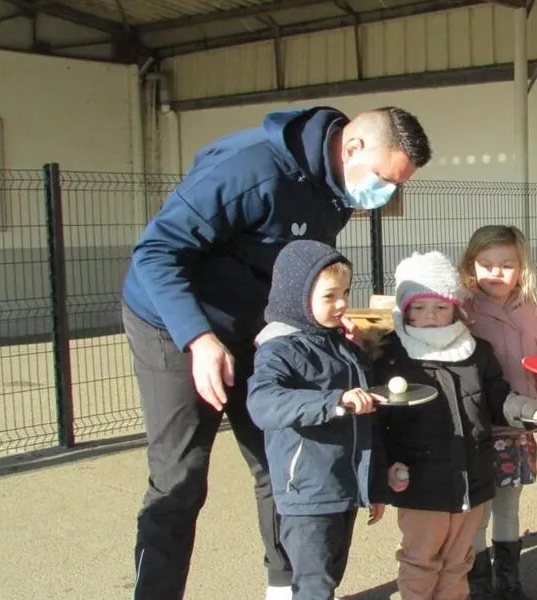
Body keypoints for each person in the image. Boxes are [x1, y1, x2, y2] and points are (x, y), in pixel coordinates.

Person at [120, 106, 431, 600]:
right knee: (180, 478)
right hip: (174, 321)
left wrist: (323, 315)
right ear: (352, 148)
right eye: (383, 179)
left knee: (279, 458)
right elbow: (155, 251)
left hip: (259, 329)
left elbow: (300, 272)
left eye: (397, 185)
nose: (387, 195)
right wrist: (199, 339)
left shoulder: (338, 192)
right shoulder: (252, 168)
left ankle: (284, 588)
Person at [373, 251, 537, 600]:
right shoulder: (391, 355)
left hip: (472, 479)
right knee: (421, 562)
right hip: (419, 484)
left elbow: (498, 399)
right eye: (419, 307)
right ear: (404, 309)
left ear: (456, 308)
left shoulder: (475, 351)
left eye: (440, 307)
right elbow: (377, 422)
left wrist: (533, 410)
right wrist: (386, 465)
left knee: (458, 562)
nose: (430, 316)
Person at [247, 241, 386, 600]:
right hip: (308, 492)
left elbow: (362, 411)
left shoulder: (335, 341)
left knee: (330, 574)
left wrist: (373, 485)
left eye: (345, 292)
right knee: (314, 582)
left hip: (341, 484)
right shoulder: (280, 349)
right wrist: (333, 401)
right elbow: (263, 403)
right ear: (297, 297)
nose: (341, 303)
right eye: (330, 296)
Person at [458, 225, 537, 600]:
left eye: (506, 264)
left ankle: (509, 584)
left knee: (508, 507)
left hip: (517, 427)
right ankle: (477, 586)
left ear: (522, 267)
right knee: (477, 512)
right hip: (478, 427)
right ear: (471, 265)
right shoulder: (462, 310)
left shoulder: (533, 310)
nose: (496, 272)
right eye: (486, 263)